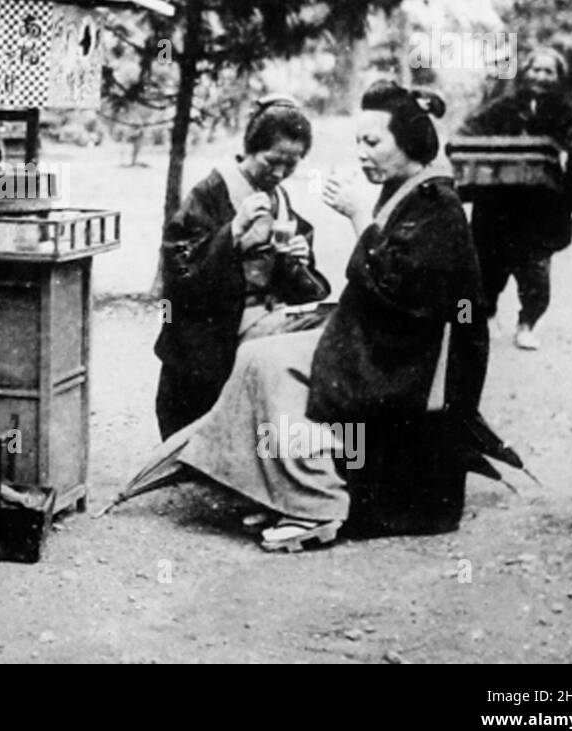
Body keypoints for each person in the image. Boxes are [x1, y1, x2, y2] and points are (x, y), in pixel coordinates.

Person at [160, 81, 489, 551]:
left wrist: (356, 220)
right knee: (258, 359)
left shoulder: (438, 204)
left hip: (410, 353)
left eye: (372, 141)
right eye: (357, 141)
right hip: (370, 335)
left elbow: (403, 294)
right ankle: (279, 489)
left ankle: (316, 503)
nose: (361, 153)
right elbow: (181, 271)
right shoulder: (213, 192)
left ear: (410, 142)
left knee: (271, 366)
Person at [152, 95, 330, 440]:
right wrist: (232, 233)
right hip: (208, 336)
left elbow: (291, 279)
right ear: (249, 149)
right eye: (272, 161)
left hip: (259, 325)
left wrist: (297, 259)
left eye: (291, 165)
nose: (279, 173)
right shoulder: (209, 194)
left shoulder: (278, 198)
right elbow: (181, 277)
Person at [457, 48, 572, 350]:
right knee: (488, 267)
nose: (541, 77)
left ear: (558, 78)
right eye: (536, 70)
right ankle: (488, 312)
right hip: (498, 203)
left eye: (549, 72)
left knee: (536, 273)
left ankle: (527, 323)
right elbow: (467, 130)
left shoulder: (567, 113)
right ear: (526, 72)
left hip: (543, 209)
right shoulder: (502, 107)